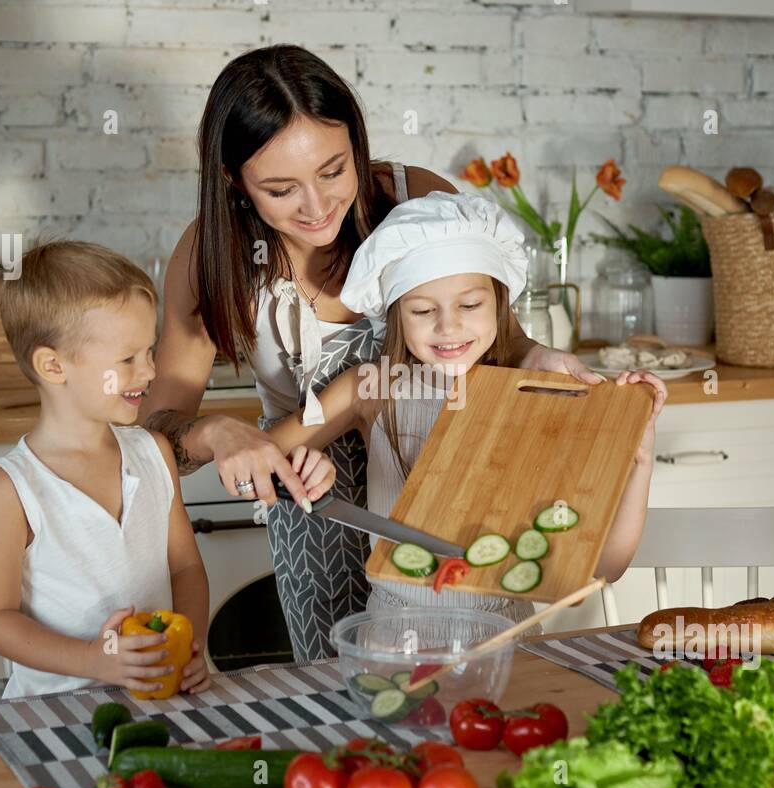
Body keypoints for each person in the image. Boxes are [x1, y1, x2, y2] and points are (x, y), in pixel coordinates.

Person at [141, 44, 611, 660]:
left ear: (356, 146)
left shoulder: (418, 198)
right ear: (233, 179)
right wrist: (217, 436)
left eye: (334, 171)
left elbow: (504, 336)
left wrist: (539, 356)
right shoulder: (213, 255)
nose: (317, 207)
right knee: (345, 689)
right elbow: (155, 435)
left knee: (481, 666)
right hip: (308, 488)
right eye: (281, 189)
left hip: (442, 469)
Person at [266, 192, 668, 621]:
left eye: (470, 305)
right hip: (394, 638)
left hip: (505, 641)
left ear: (499, 303)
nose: (448, 326)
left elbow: (606, 566)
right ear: (396, 315)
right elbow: (259, 462)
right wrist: (304, 467)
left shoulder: (536, 399)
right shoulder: (370, 388)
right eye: (422, 310)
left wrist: (639, 458)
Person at [0, 240, 337, 698]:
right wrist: (92, 660)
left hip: (159, 695)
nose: (149, 371)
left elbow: (185, 569)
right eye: (127, 359)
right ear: (53, 365)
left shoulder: (153, 452)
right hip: (55, 711)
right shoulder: (13, 486)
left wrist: (192, 647)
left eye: (150, 351)